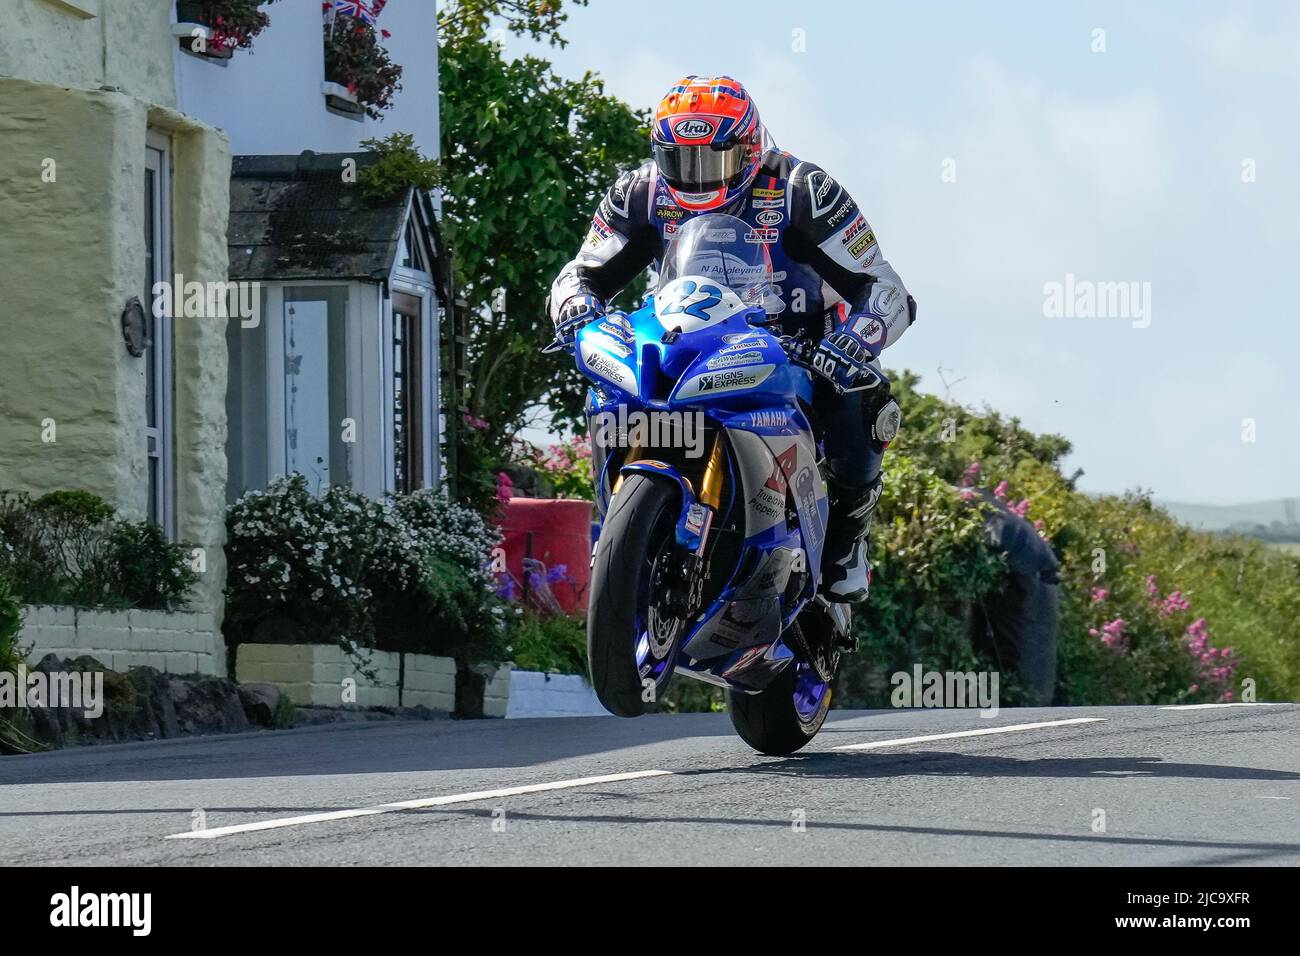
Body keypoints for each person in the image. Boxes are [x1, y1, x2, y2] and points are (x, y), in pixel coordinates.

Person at [547, 75, 914, 603]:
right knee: (610, 387)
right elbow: (582, 270)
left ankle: (846, 539)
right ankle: (618, 522)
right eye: (680, 161)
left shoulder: (803, 188)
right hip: (684, 334)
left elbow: (883, 284)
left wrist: (857, 340)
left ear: (748, 149)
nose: (695, 180)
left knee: (861, 397)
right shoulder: (640, 191)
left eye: (711, 161)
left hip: (797, 342)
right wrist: (577, 307)